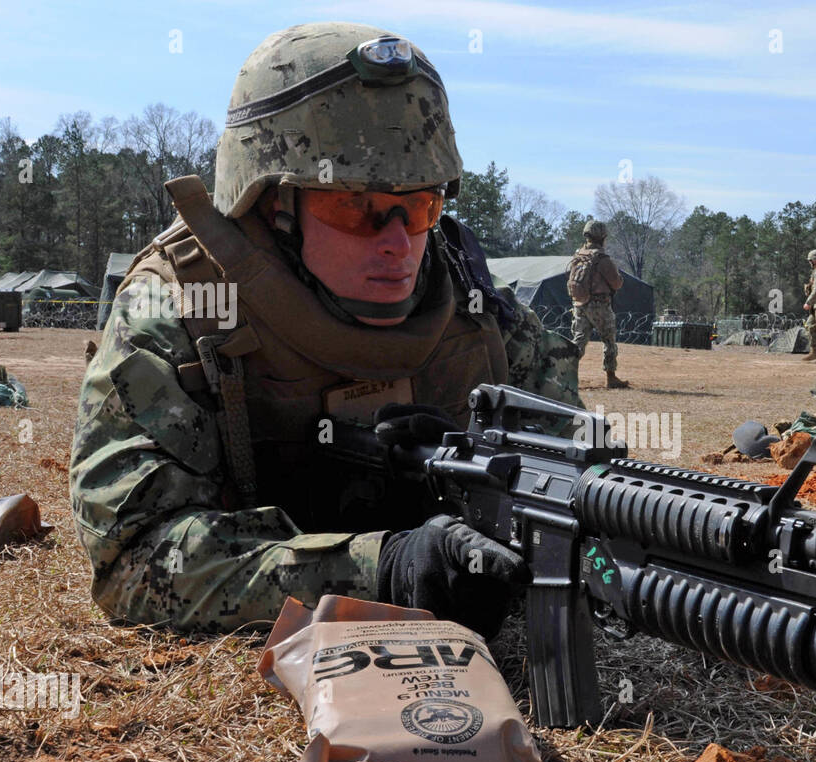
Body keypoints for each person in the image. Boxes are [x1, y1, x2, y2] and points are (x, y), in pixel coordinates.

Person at [69, 22, 580, 637]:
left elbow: (573, 474)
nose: (400, 244)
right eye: (354, 207)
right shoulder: (183, 306)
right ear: (271, 204)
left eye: (421, 206)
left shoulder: (472, 303)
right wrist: (379, 572)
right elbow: (134, 558)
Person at [567, 220, 628, 388]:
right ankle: (611, 377)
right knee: (609, 340)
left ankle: (566, 376)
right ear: (603, 237)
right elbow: (616, 283)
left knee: (578, 341)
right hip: (599, 304)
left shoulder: (578, 256)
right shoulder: (602, 259)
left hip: (579, 303)